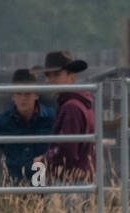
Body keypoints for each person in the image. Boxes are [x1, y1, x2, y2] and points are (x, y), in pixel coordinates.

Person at [33, 51, 95, 181]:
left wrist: (44, 161)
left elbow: (67, 152)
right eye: (48, 75)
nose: (50, 80)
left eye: (56, 74)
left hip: (71, 180)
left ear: (72, 76)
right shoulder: (77, 104)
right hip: (80, 178)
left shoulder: (71, 108)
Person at [0, 68, 56, 184]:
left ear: (36, 94)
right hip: (13, 185)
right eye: (18, 93)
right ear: (13, 96)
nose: (23, 98)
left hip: (42, 185)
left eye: (27, 93)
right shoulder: (3, 121)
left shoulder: (51, 118)